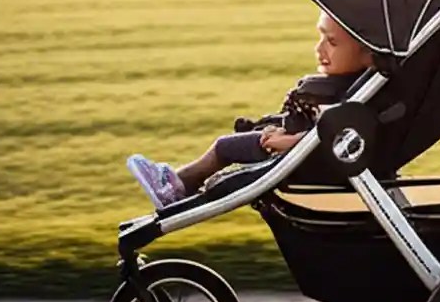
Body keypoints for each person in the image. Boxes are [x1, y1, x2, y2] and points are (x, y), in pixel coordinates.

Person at [126, 11, 372, 208]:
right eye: (321, 38)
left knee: (224, 147)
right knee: (240, 144)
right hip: (305, 152)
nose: (319, 50)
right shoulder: (358, 88)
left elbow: (335, 134)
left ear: (367, 55)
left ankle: (176, 188)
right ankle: (180, 186)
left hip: (308, 159)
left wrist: (288, 142)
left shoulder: (352, 96)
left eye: (331, 42)